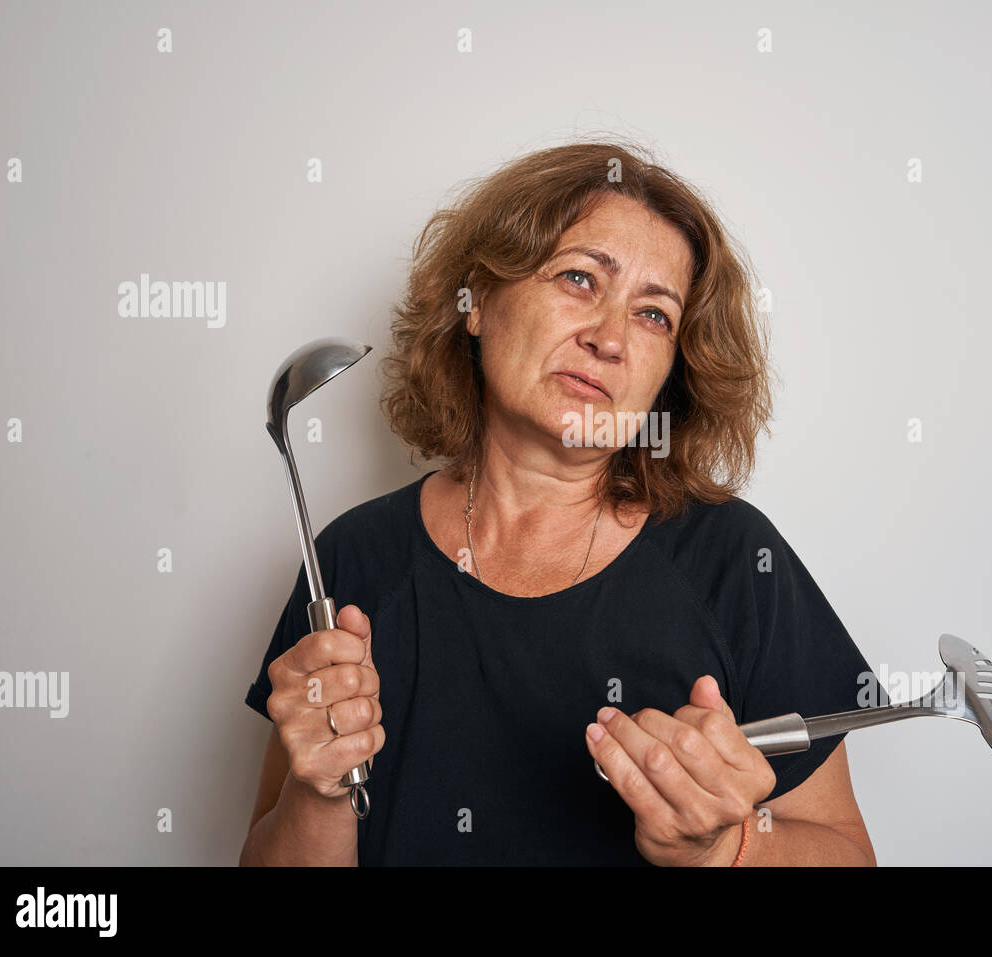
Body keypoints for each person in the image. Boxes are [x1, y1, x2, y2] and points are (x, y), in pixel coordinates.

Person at [239, 140, 880, 866]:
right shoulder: (351, 559)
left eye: (653, 316)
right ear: (475, 300)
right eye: (579, 278)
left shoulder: (735, 560)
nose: (609, 337)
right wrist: (320, 788)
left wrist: (720, 848)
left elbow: (847, 853)